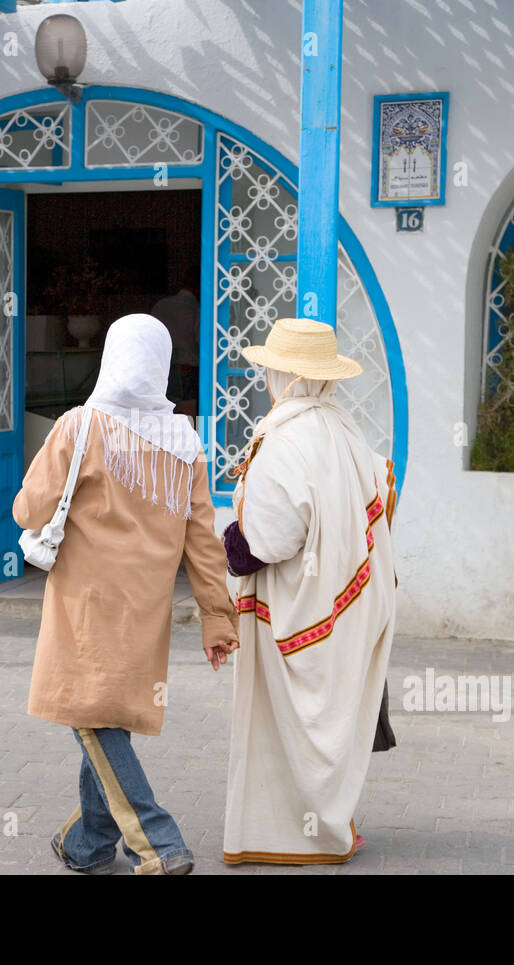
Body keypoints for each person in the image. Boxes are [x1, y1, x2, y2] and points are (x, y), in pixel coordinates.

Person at [13, 313, 238, 875]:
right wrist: (217, 617)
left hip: (85, 607)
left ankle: (159, 844)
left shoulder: (78, 426)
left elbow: (29, 510)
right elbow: (203, 541)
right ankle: (87, 843)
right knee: (103, 712)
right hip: (147, 609)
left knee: (91, 716)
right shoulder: (184, 442)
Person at [220, 316, 399, 865]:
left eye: (273, 370)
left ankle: (305, 833)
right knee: (331, 713)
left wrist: (225, 542)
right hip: (351, 600)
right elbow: (381, 491)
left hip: (298, 604)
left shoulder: (284, 438)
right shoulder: (342, 426)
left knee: (294, 721)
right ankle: (335, 818)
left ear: (285, 375)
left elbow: (271, 539)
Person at [151, 268, 200, 417]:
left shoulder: (161, 305)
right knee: (189, 413)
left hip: (162, 368)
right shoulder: (196, 309)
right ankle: (203, 438)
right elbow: (201, 341)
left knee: (161, 412)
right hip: (188, 369)